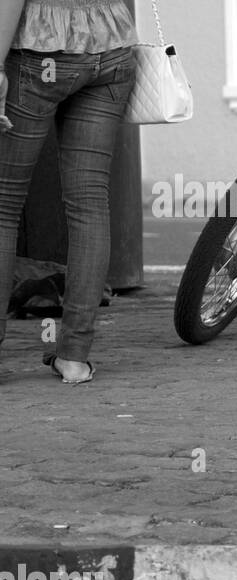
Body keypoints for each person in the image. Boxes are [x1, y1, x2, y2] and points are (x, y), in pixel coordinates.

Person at [0, 0, 137, 383]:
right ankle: (75, 357)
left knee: (4, 205)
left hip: (40, 49)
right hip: (111, 50)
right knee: (90, 204)